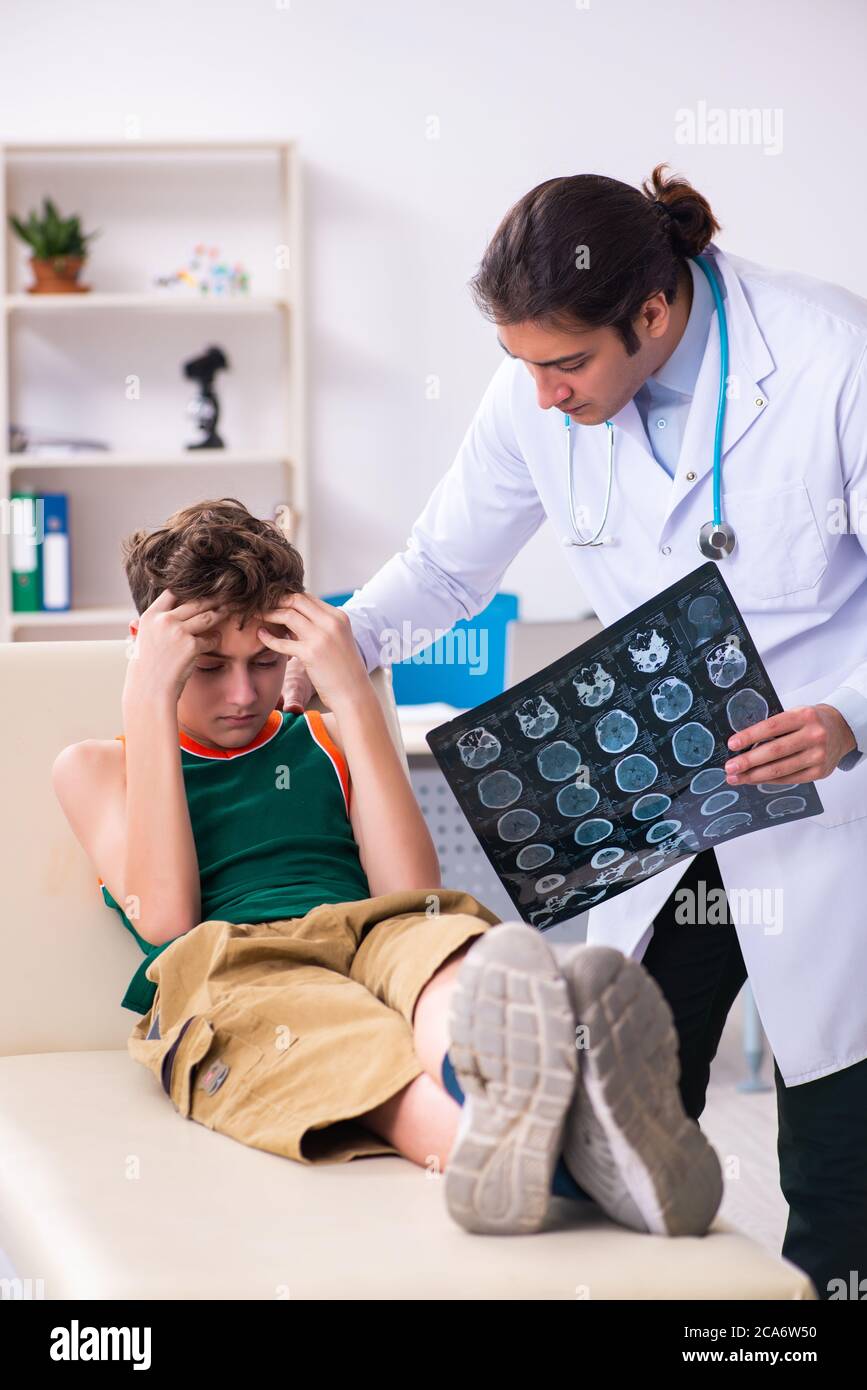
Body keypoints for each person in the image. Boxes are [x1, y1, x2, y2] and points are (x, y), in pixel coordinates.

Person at [281, 165, 867, 1296]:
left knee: (837, 1168)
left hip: (833, 810)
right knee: (618, 1125)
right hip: (670, 807)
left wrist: (850, 715)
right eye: (523, 365)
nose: (544, 396)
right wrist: (336, 648)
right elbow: (447, 568)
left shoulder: (831, 354)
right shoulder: (537, 390)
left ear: (653, 310)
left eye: (565, 364)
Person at [50, 497, 722, 1239]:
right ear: (149, 649)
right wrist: (147, 694)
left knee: (443, 951)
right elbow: (169, 919)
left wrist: (351, 691)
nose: (243, 694)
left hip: (373, 930)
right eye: (207, 667)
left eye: (266, 661)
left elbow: (410, 898)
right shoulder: (97, 767)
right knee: (350, 1050)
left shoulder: (324, 737)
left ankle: (517, 1079)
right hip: (233, 963)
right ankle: (550, 1159)